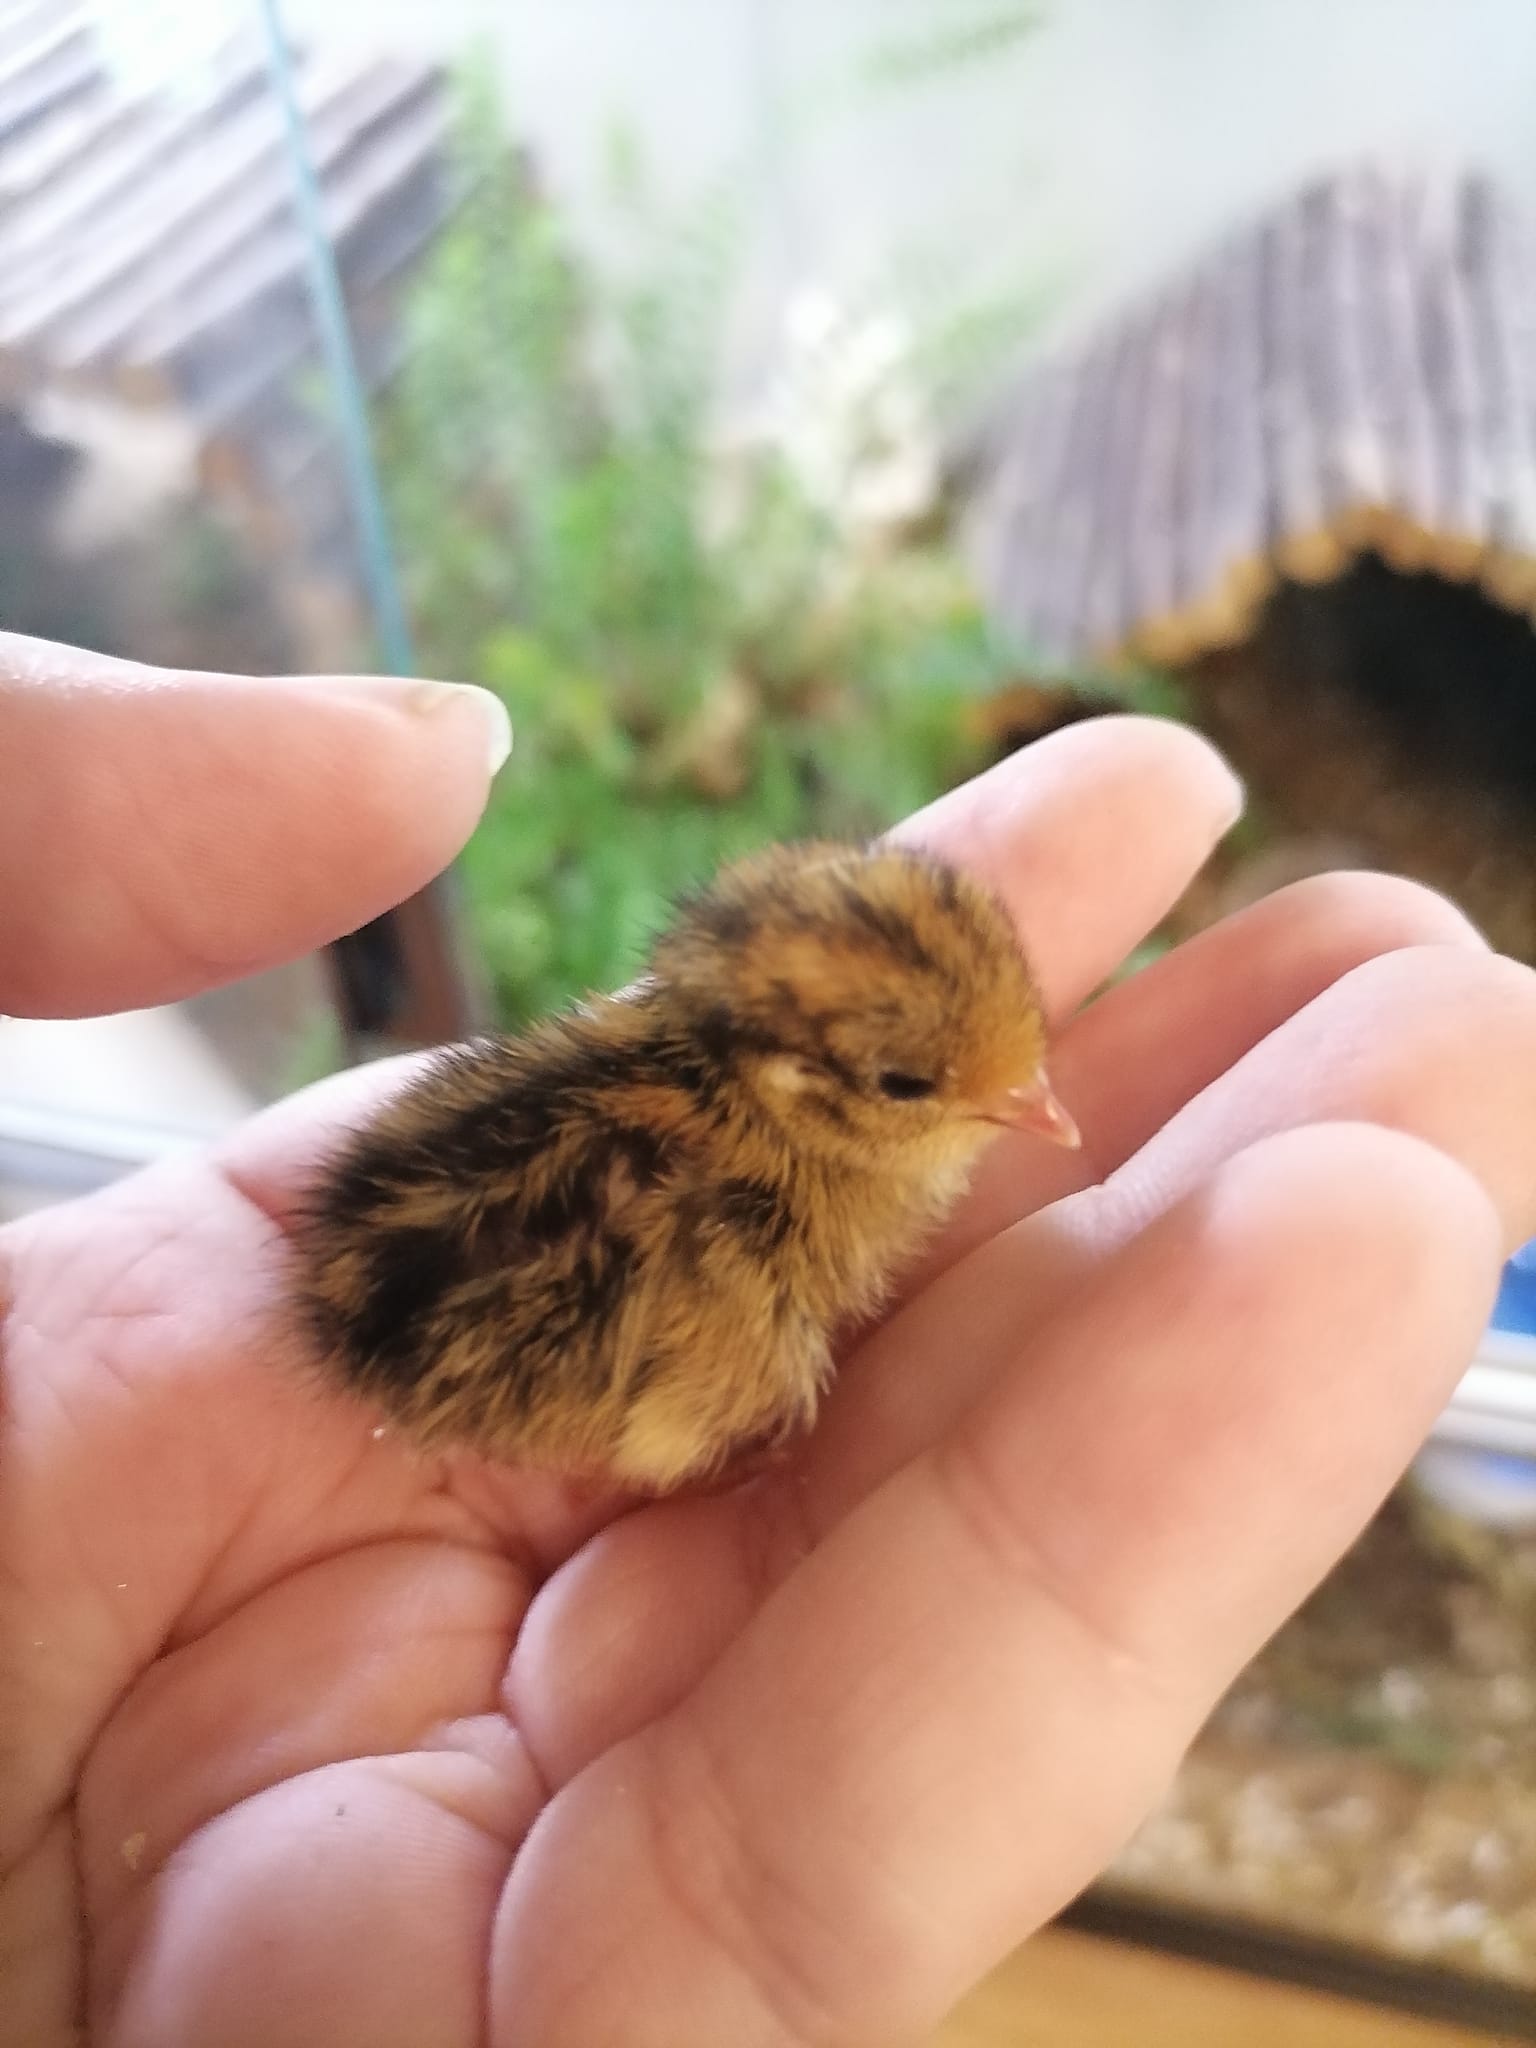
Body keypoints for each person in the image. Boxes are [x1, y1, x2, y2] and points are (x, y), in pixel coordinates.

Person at [3, 631, 1534, 2048]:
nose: (1024, 1102)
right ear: (802, 1082)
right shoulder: (747, 1209)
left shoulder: (707, 1096)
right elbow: (650, 1351)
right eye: (919, 1087)